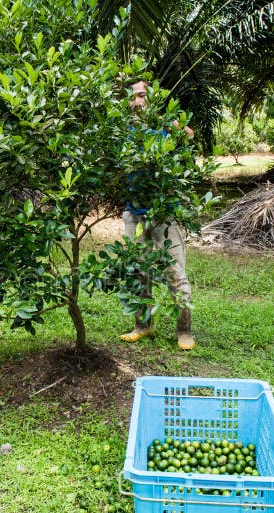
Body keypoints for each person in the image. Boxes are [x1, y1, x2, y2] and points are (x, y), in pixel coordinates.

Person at [119, 79, 195, 350]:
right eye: (133, 96)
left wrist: (163, 118)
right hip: (135, 214)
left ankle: (184, 331)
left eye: (142, 95)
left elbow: (189, 135)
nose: (138, 100)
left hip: (164, 214)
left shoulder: (163, 126)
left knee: (174, 273)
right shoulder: (124, 130)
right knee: (139, 272)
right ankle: (143, 325)